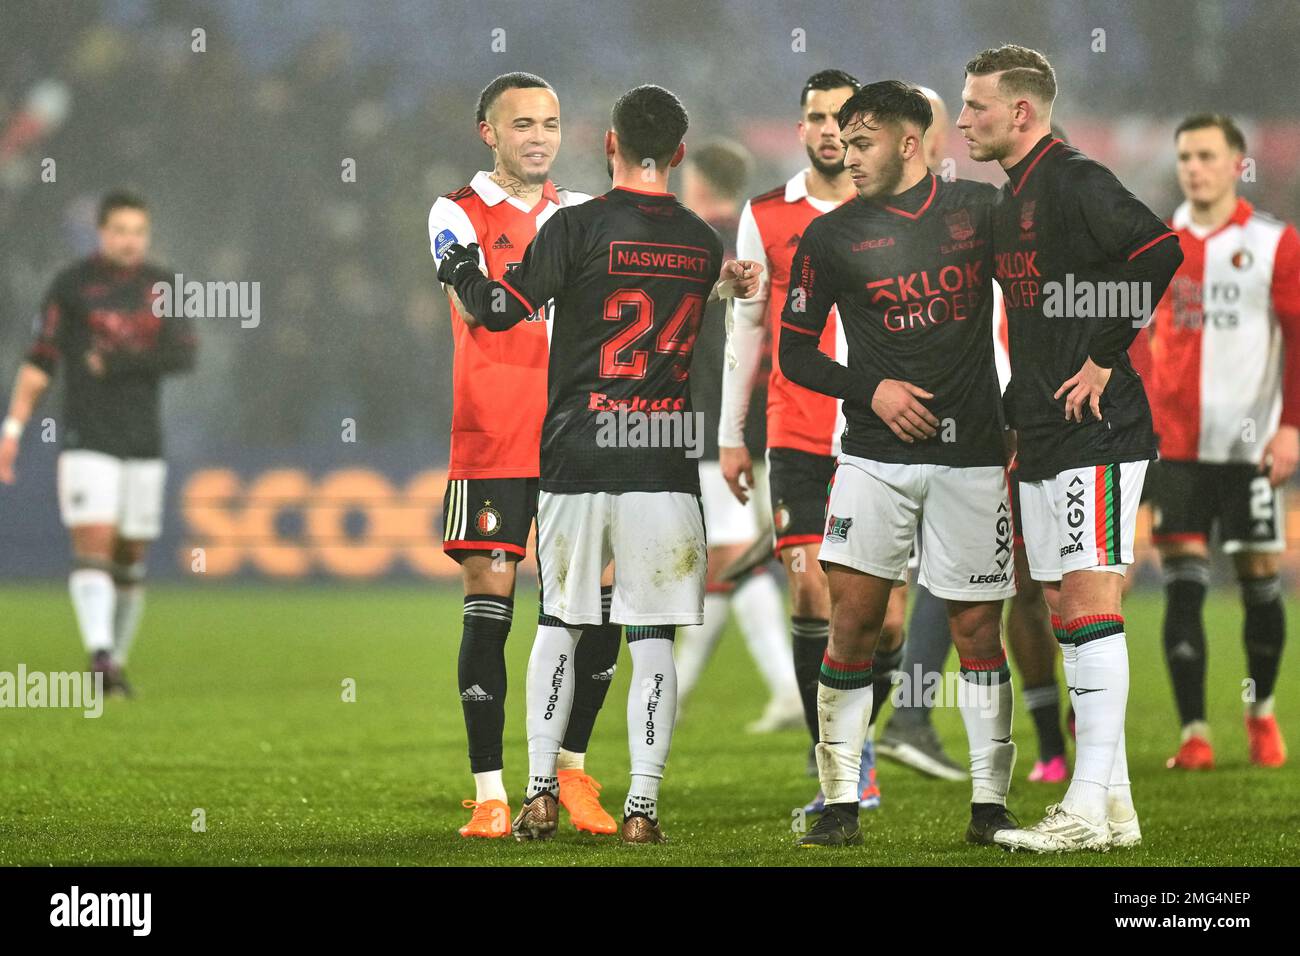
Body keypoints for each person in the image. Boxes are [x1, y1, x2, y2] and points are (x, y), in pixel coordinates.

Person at [438, 84, 761, 843]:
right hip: (664, 459)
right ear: (679, 154)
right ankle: (643, 809)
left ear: (609, 145)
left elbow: (497, 311)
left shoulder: (576, 226)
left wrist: (459, 268)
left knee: (560, 619)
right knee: (650, 640)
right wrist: (724, 281)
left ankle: (540, 792)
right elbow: (684, 292)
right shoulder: (700, 241)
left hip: (580, 451)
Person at [778, 81, 1019, 848]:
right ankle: (840, 803)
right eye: (842, 144)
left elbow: (1040, 301)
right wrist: (869, 388)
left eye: (862, 142)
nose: (846, 157)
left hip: (974, 456)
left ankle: (990, 806)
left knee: (979, 630)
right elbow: (793, 352)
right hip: (873, 460)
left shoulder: (979, 214)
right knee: (850, 624)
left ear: (910, 144)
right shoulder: (830, 238)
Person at [959, 44, 1183, 851]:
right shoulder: (1010, 195)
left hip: (1101, 428)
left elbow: (1160, 250)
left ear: (1021, 111)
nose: (963, 119)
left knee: (1090, 606)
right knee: (1061, 609)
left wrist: (1103, 355)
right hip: (1045, 432)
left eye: (976, 105)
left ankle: (1085, 806)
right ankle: (1114, 807)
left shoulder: (1076, 179)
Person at [427, 72, 620, 839]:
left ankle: (572, 775)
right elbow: (480, 303)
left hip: (575, 434)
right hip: (493, 433)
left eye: (550, 122)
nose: (539, 136)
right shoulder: (458, 210)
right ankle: (490, 791)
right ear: (489, 132)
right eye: (522, 124)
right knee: (492, 605)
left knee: (596, 602)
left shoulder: (580, 212)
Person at [719, 69, 893, 814]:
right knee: (811, 586)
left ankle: (860, 738)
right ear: (800, 128)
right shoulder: (766, 214)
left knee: (884, 617)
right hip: (796, 429)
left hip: (884, 430)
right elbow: (746, 328)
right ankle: (835, 761)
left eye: (841, 119)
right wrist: (731, 434)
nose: (828, 131)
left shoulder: (891, 209)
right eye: (816, 117)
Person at [0, 191, 196, 696]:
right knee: (93, 546)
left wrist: (115, 363)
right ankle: (100, 656)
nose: (130, 240)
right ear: (101, 233)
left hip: (143, 439)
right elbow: (41, 358)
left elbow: (183, 356)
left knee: (129, 555)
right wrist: (13, 427)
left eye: (138, 231)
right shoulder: (71, 286)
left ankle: (116, 661)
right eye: (120, 230)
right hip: (87, 436)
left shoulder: (163, 286)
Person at [1147, 113, 1297, 770]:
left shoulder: (1275, 244)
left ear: (1238, 164)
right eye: (1185, 156)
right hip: (1175, 448)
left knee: (1260, 583)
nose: (1194, 167)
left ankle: (1260, 715)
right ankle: (1195, 735)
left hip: (1250, 447)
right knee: (1183, 585)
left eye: (1207, 155)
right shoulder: (1157, 245)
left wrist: (1291, 426)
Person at [676, 140, 803, 733]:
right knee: (735, 556)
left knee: (731, 556)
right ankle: (677, 689)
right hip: (770, 408)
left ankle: (788, 689)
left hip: (712, 415)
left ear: (696, 183)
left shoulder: (691, 243)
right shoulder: (760, 235)